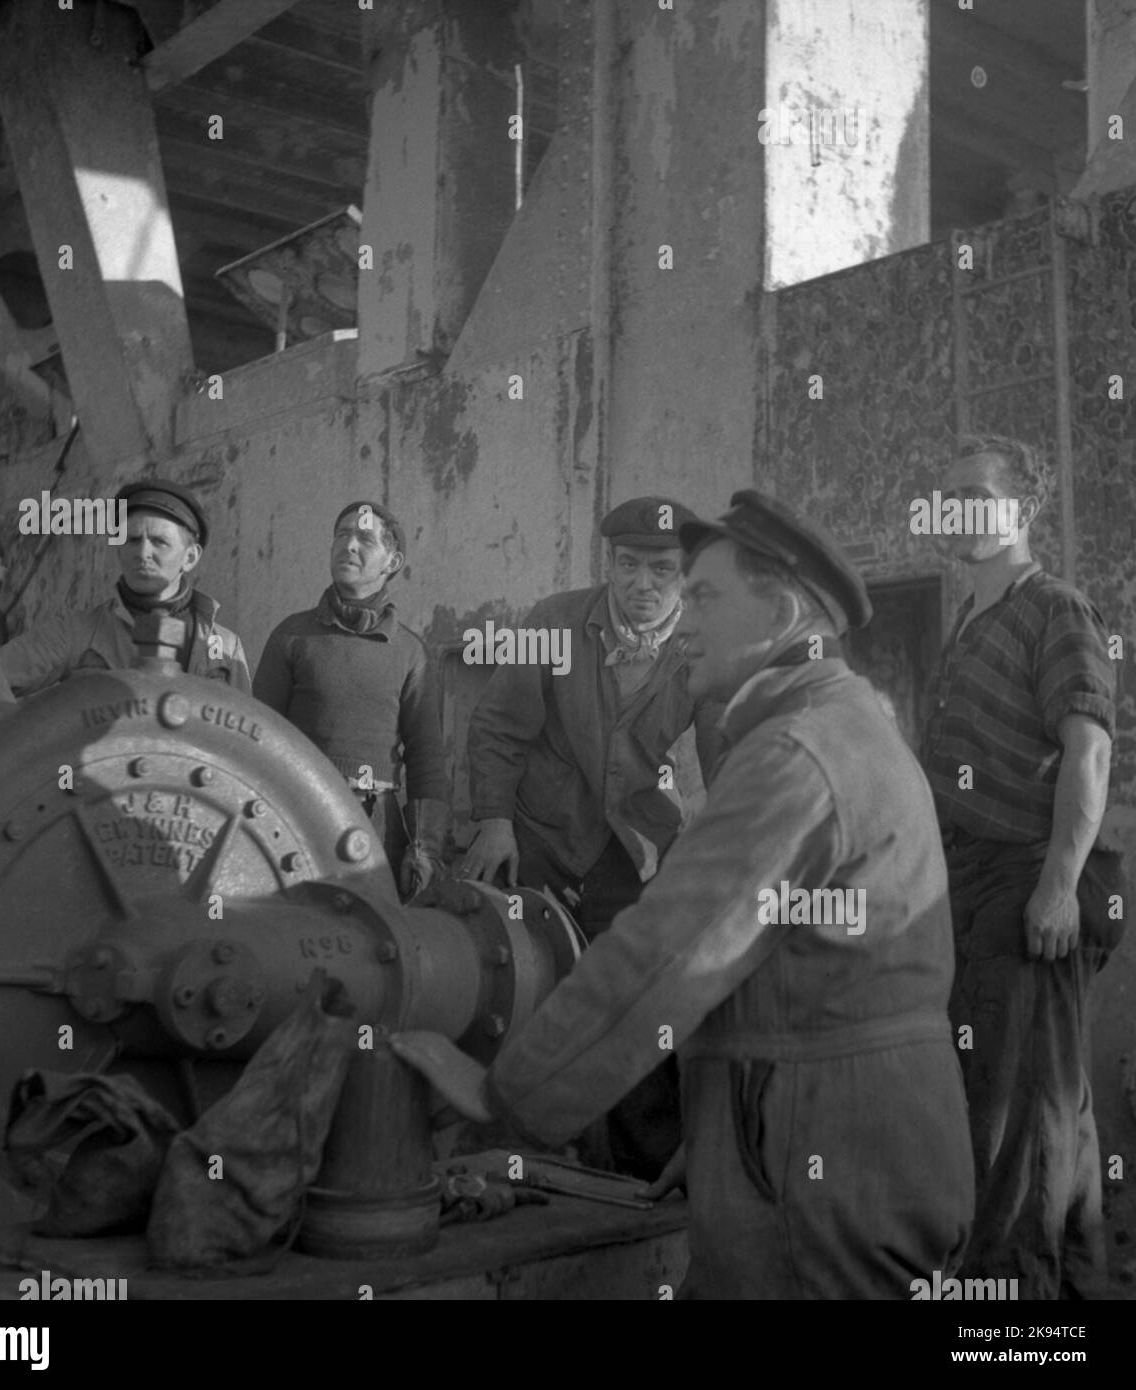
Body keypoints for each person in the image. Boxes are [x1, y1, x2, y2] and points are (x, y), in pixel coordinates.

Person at [397, 491, 974, 1298]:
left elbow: (666, 955)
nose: (681, 616)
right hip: (817, 1129)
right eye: (661, 580)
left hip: (828, 1151)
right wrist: (717, 1136)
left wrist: (502, 1092)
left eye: (700, 594)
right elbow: (781, 980)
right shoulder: (828, 721)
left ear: (777, 611)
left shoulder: (793, 757)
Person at [920, 434, 1125, 1299]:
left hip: (1032, 877)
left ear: (1025, 508)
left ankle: (1013, 1332)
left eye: (977, 491)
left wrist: (1055, 885)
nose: (958, 507)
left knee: (1009, 1127)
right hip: (977, 881)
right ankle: (1071, 1305)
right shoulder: (972, 618)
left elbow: (1089, 753)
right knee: (1052, 1113)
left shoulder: (1056, 608)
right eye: (948, 493)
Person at [462, 496, 720, 1181]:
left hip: (633, 851)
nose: (642, 584)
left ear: (686, 572)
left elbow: (728, 761)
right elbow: (497, 729)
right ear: (607, 561)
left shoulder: (704, 643)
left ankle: (641, 1178)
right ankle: (517, 1160)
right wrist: (492, 819)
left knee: (638, 1000)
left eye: (662, 570)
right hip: (538, 839)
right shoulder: (551, 620)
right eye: (628, 564)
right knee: (521, 985)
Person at [252, 501, 450, 902]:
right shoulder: (291, 636)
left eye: (365, 538)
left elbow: (426, 757)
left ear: (392, 561)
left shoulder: (411, 652)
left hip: (377, 831)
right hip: (297, 820)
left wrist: (425, 848)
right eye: (342, 535)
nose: (349, 546)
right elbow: (258, 741)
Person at [0, 478, 249, 695]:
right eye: (132, 540)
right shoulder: (77, 633)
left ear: (190, 557)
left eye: (159, 542)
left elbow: (248, 738)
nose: (143, 553)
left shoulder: (224, 648)